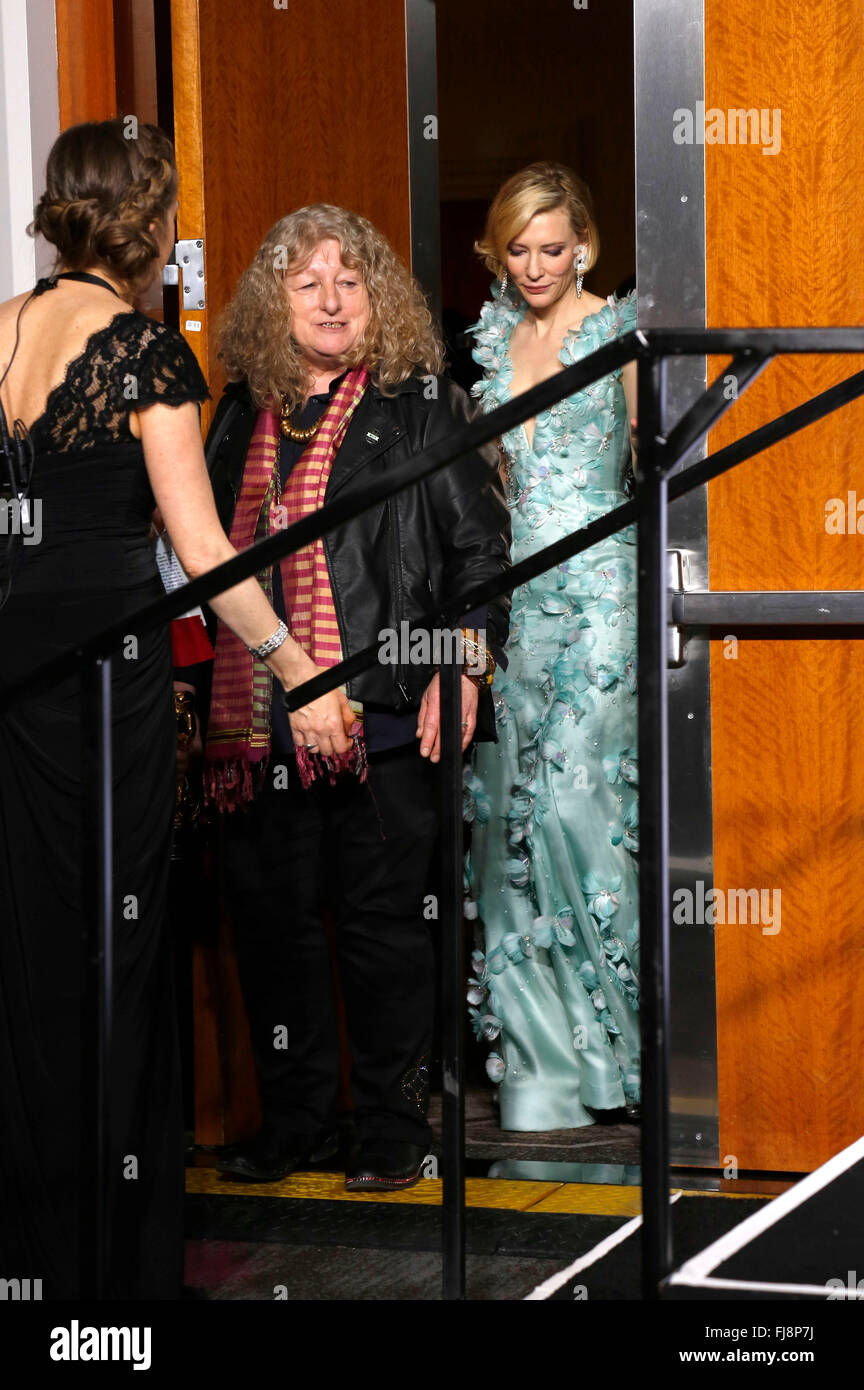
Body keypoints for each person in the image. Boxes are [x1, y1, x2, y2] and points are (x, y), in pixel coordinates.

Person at [0, 122, 356, 1298]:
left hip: (17, 671)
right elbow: (203, 551)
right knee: (120, 954)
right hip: (105, 679)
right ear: (147, 225)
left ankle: (38, 1264)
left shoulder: (0, 328)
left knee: (31, 956)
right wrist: (300, 667)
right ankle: (114, 1277)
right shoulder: (146, 356)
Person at [202, 204, 510, 1191]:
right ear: (273, 303)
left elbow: (478, 549)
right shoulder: (239, 413)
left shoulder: (424, 404)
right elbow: (200, 554)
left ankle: (394, 1122)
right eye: (309, 283)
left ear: (377, 297)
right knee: (275, 924)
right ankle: (296, 1119)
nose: (333, 301)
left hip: (381, 706)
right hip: (258, 723)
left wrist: (463, 657)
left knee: (384, 930)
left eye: (351, 281)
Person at [463, 162, 640, 1131]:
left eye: (553, 245)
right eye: (518, 248)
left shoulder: (618, 332)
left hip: (602, 595)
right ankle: (545, 1061)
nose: (536, 264)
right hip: (518, 605)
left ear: (584, 244)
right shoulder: (494, 341)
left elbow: (656, 466)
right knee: (512, 819)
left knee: (579, 803)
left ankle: (618, 1049)